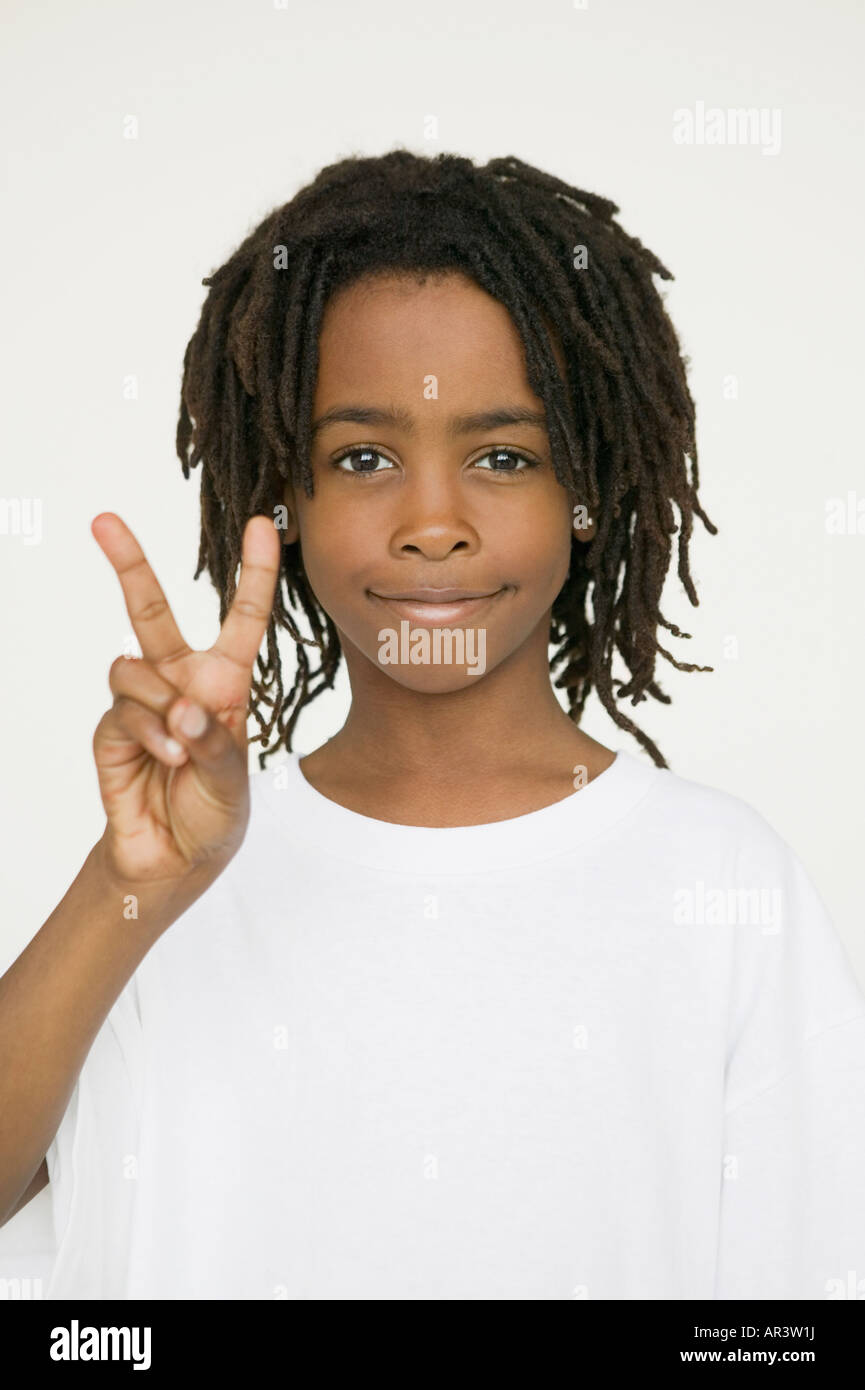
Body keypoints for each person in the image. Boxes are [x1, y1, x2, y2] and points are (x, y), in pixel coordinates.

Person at [2, 149, 864, 1300]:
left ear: (587, 490)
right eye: (363, 457)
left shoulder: (722, 883)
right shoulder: (165, 887)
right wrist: (131, 883)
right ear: (286, 501)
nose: (432, 522)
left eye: (501, 456)